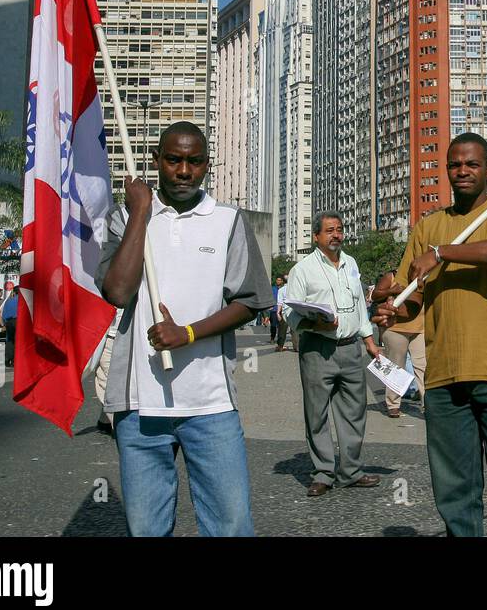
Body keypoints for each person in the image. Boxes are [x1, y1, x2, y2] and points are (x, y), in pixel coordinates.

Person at [97, 121, 271, 537]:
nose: (183, 170)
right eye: (173, 160)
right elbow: (118, 292)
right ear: (157, 161)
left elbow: (249, 300)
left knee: (230, 525)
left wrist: (188, 333)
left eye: (194, 161)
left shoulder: (228, 220)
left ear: (207, 165)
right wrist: (141, 211)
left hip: (210, 404)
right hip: (139, 405)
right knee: (147, 528)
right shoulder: (124, 217)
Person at [371, 133, 487, 537]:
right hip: (444, 379)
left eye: (471, 164)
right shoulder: (428, 225)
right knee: (455, 494)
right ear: (445, 169)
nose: (462, 171)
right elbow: (412, 298)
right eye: (454, 164)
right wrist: (390, 311)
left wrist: (442, 253)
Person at [285, 213, 381, 495]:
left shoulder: (350, 263)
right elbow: (289, 312)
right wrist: (316, 323)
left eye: (339, 230)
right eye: (329, 231)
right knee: (317, 413)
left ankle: (350, 470)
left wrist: (369, 340)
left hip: (350, 348)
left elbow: (360, 306)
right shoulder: (302, 270)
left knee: (354, 412)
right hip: (318, 349)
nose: (336, 235)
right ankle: (323, 473)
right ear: (316, 236)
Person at [381, 268, 427, 418]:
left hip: (420, 328)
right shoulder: (392, 276)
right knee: (395, 367)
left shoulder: (425, 275)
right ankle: (393, 405)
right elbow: (375, 295)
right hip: (395, 328)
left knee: (424, 367)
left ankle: (428, 404)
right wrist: (392, 291)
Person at [2, 286, 20, 368]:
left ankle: (7, 358)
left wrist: (5, 324)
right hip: (18, 321)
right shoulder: (21, 301)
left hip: (9, 322)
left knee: (9, 341)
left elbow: (4, 314)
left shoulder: (8, 301)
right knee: (18, 341)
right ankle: (14, 361)